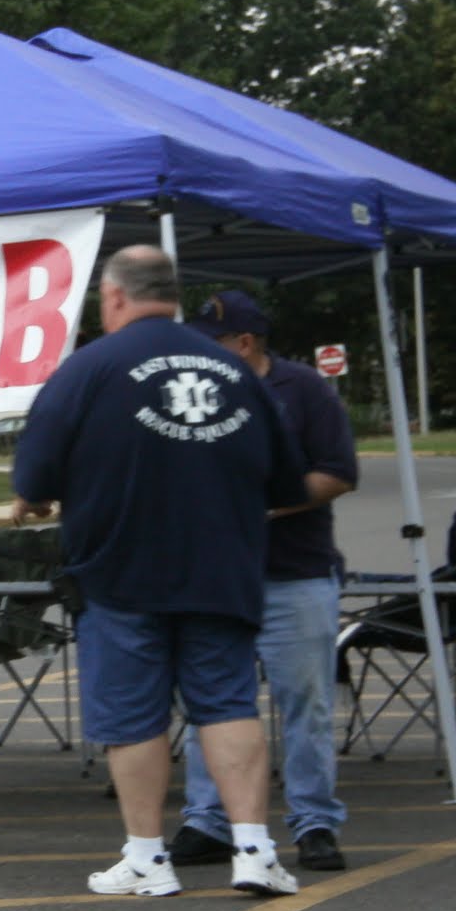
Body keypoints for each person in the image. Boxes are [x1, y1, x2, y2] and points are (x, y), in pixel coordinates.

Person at [11, 245, 306, 898]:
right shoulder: (238, 373)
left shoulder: (87, 369)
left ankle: (148, 858)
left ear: (113, 297)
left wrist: (43, 493)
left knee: (132, 716)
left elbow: (32, 478)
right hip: (221, 568)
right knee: (227, 704)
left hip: (121, 572)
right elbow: (287, 480)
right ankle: (254, 851)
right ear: (173, 294)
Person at [172, 290, 358, 872]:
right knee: (212, 702)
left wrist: (265, 508)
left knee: (305, 703)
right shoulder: (191, 391)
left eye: (211, 343)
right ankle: (208, 820)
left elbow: (336, 472)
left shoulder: (302, 389)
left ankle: (315, 821)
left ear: (245, 344)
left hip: (293, 573)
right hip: (215, 578)